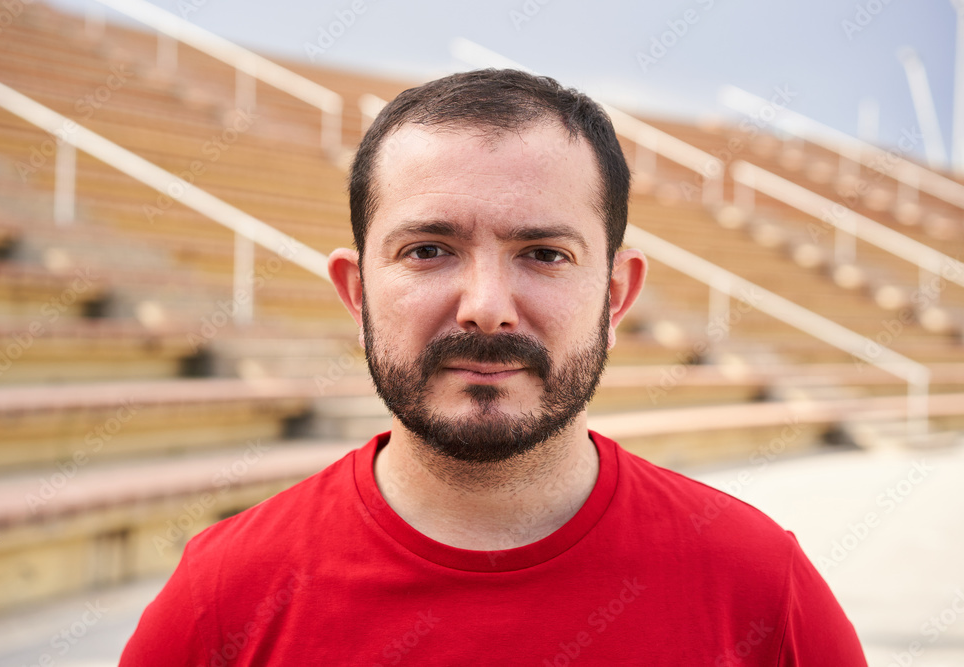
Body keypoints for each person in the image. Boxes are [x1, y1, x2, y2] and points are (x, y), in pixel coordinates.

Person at [120, 69, 867, 665]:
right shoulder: (221, 596)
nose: (485, 307)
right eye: (428, 250)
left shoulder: (759, 584)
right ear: (357, 292)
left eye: (543, 253)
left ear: (615, 295)